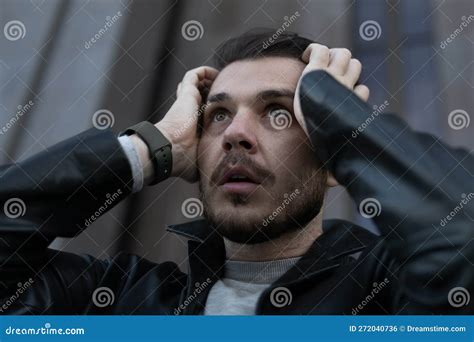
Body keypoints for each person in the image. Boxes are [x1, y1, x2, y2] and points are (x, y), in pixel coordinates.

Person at [0, 30, 472, 315]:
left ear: (331, 161)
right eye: (219, 115)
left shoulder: (389, 296)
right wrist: (150, 147)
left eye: (279, 113)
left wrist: (340, 117)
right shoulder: (118, 299)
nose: (235, 134)